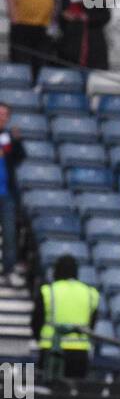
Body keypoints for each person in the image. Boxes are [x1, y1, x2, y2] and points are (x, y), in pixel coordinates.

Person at [32, 253, 100, 380]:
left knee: (49, 392)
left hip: (51, 350)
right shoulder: (90, 293)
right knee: (73, 395)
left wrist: (38, 339)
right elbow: (92, 324)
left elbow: (36, 320)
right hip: (80, 352)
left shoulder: (48, 291)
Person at [57, 0, 110, 69]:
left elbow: (105, 16)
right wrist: (65, 17)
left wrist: (87, 17)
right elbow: (60, 19)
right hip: (71, 46)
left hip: (93, 47)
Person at [0, 101, 26, 283]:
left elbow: (19, 157)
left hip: (6, 193)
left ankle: (8, 270)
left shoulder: (9, 137)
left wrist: (17, 141)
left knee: (9, 234)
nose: (1, 117)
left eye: (4, 114)